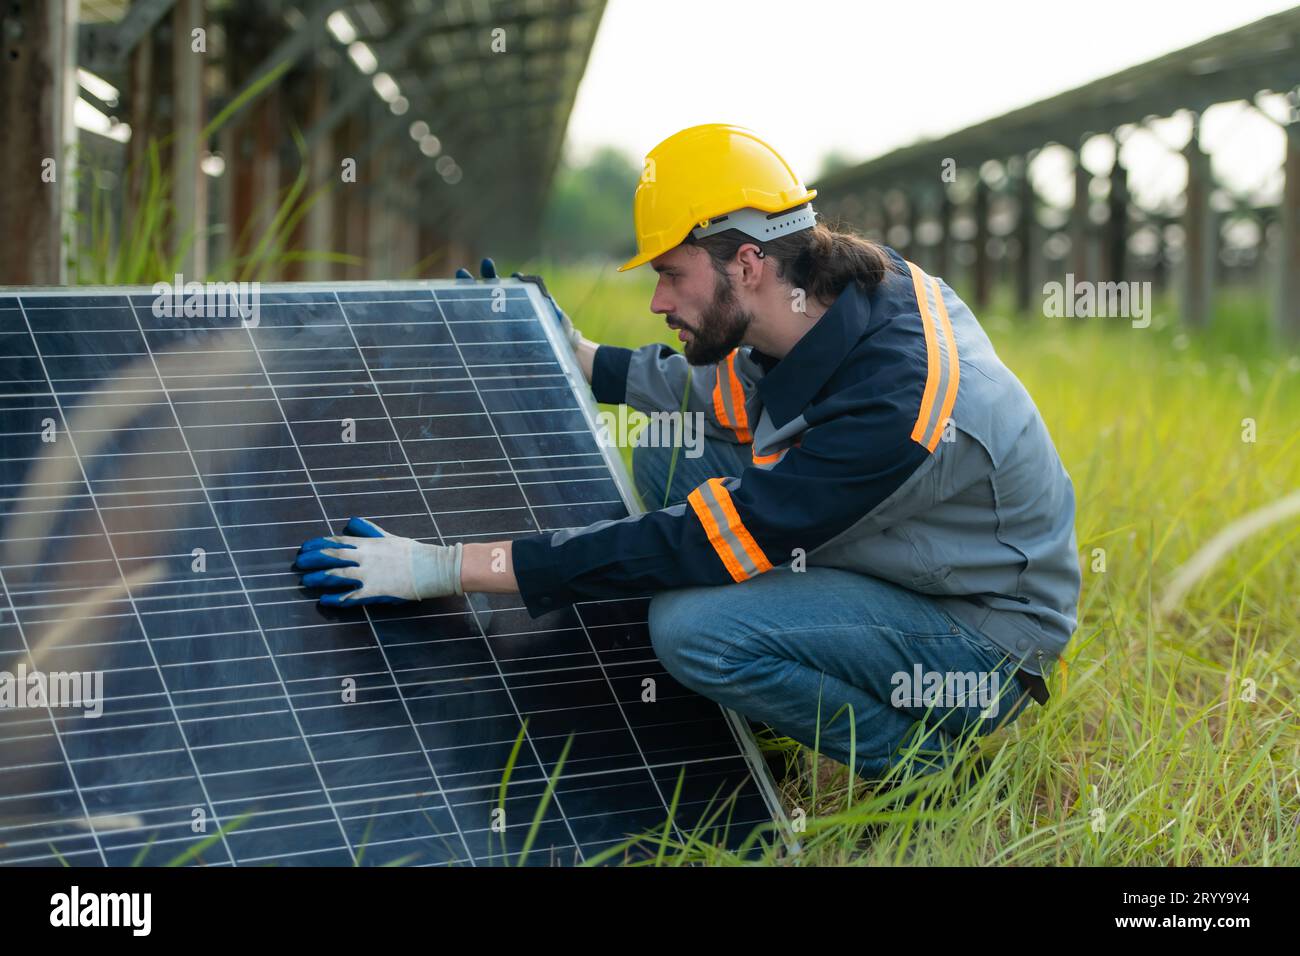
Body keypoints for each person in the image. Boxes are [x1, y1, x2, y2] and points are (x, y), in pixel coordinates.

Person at [294, 123, 1082, 783]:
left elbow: (698, 541)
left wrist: (444, 568)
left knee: (693, 627)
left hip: (980, 637)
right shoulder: (828, 298)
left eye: (670, 275)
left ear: (746, 263)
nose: (658, 301)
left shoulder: (899, 405)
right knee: (668, 460)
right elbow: (726, 393)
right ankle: (789, 682)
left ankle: (923, 767)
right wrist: (572, 351)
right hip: (900, 553)